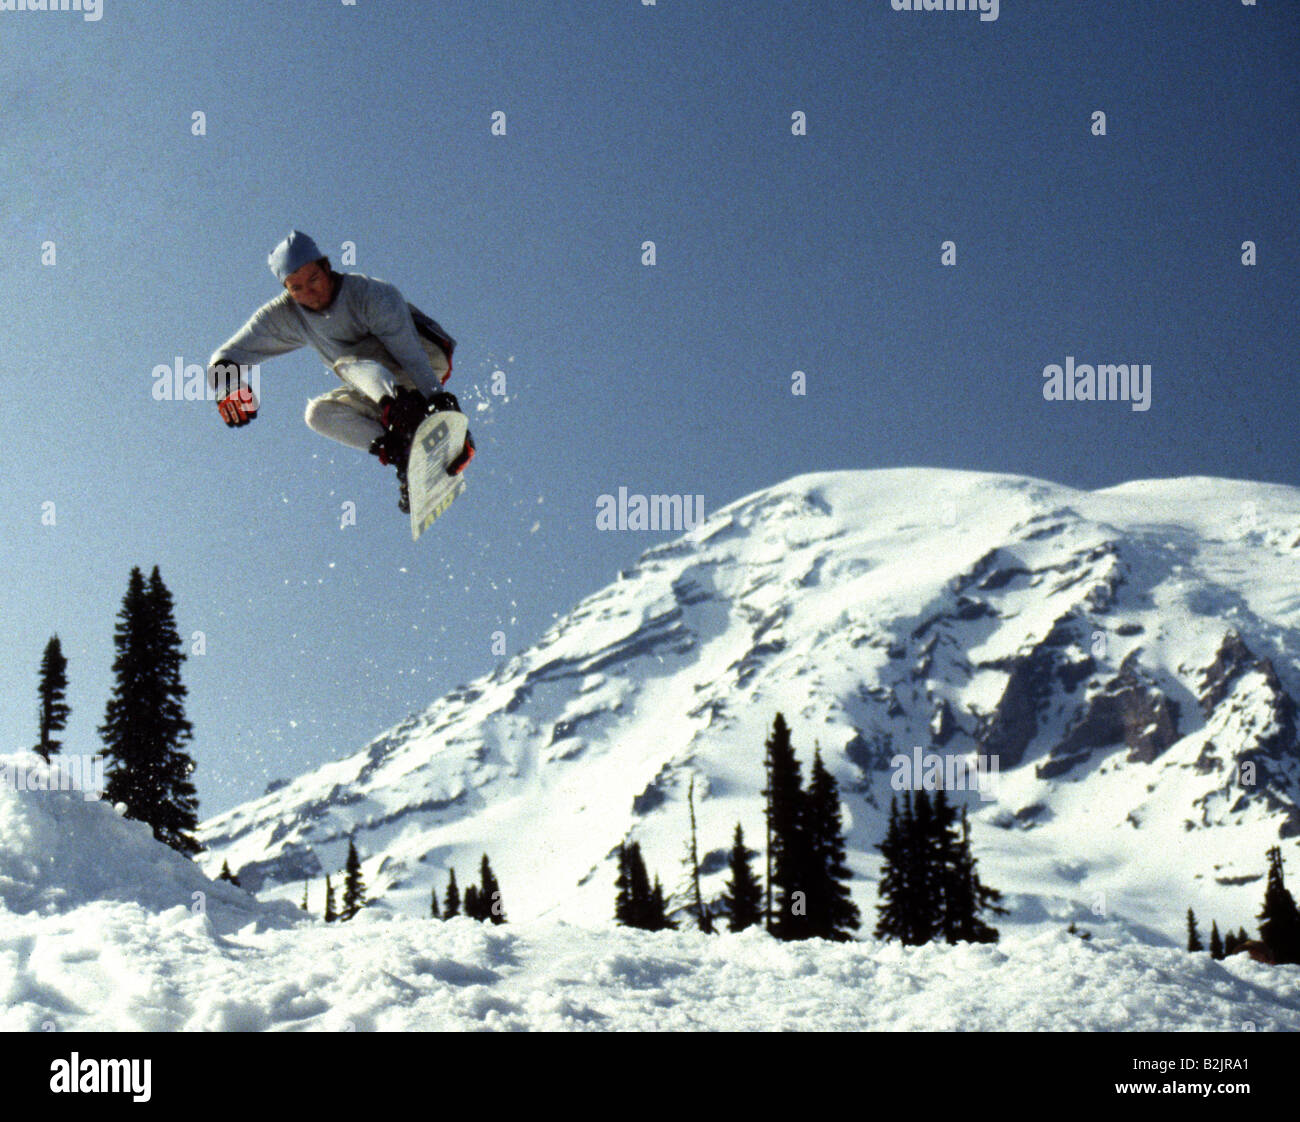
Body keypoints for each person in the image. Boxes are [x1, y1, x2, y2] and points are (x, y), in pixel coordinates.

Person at [207, 230, 474, 512]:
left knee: (348, 362)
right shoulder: (285, 315)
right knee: (318, 415)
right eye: (296, 289)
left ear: (327, 267)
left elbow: (412, 355)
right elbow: (225, 356)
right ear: (287, 290)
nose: (309, 294)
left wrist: (441, 404)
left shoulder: (371, 295)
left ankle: (405, 412)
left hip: (424, 357)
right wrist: (227, 387)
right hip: (379, 387)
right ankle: (402, 452)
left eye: (313, 280)